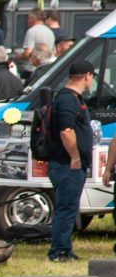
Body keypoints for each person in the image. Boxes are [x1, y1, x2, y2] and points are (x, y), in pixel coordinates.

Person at [47, 60, 95, 262]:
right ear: (87, 76)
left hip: (71, 164)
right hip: (67, 164)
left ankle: (64, 248)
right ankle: (58, 251)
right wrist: (75, 157)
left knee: (69, 208)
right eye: (92, 76)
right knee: (66, 208)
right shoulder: (67, 100)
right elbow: (66, 131)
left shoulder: (73, 98)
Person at [19, 8, 55, 79]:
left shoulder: (32, 31)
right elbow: (53, 52)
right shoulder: (50, 32)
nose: (27, 21)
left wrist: (19, 56)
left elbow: (27, 53)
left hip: (32, 69)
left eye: (29, 18)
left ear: (33, 18)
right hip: (47, 67)